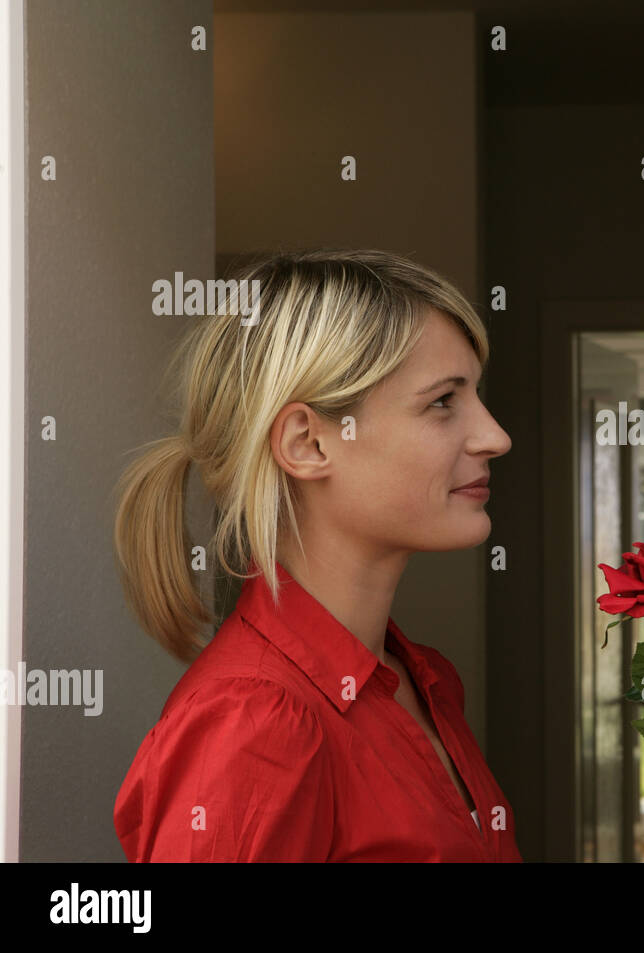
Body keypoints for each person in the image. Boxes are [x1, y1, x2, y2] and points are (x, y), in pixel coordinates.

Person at [111, 249, 520, 861]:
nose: (496, 436)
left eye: (475, 396)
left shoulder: (424, 681)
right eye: (443, 402)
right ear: (308, 443)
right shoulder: (252, 725)